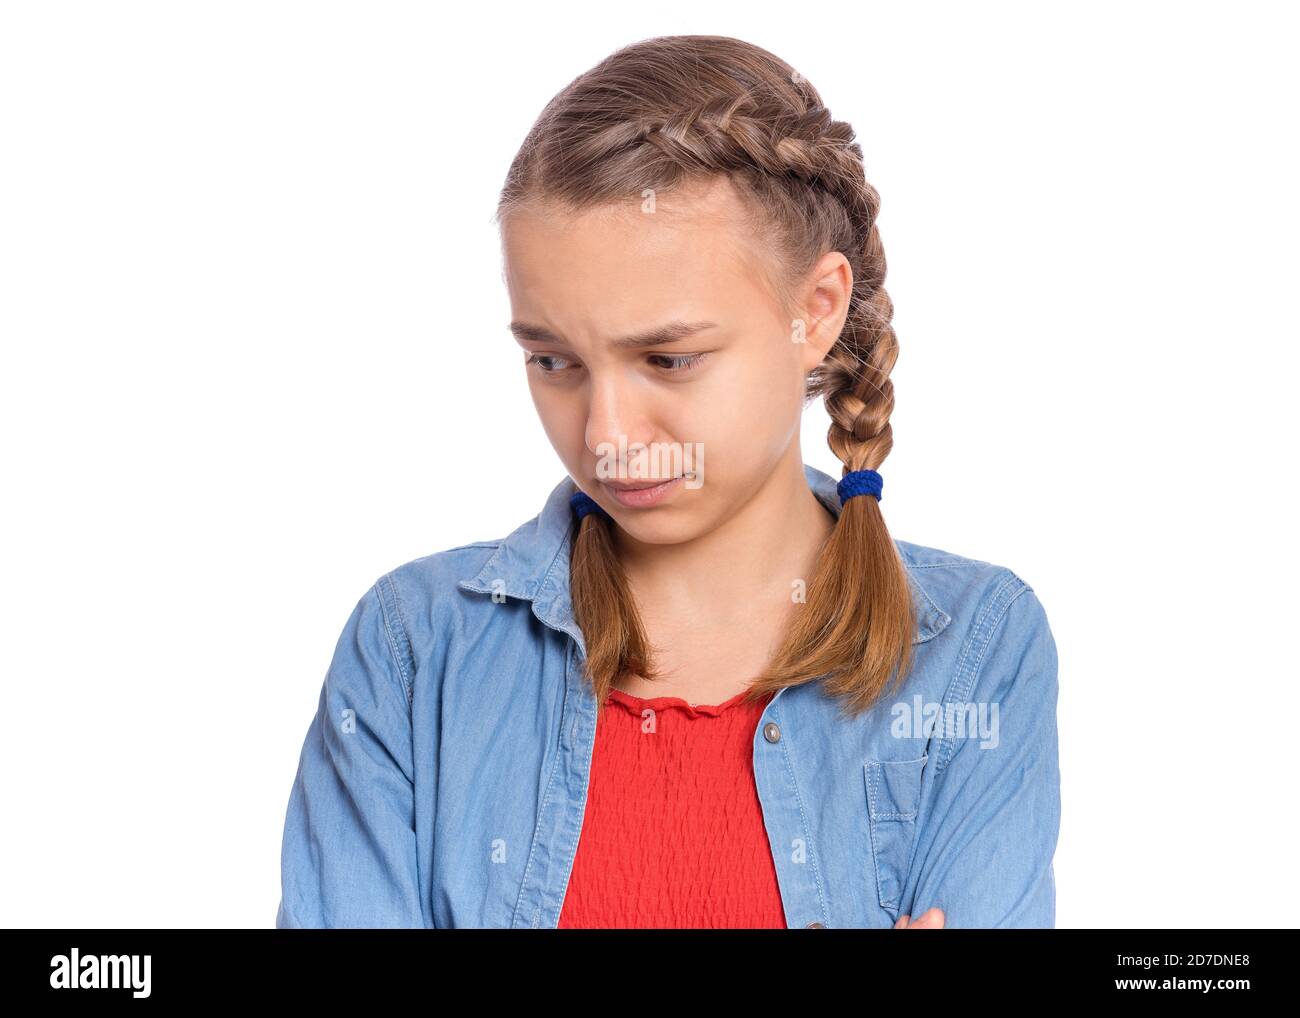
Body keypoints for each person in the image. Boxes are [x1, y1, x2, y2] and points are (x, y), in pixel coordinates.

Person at [276, 34, 1060, 929]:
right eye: (552, 359)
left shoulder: (974, 653)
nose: (606, 434)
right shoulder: (413, 652)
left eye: (669, 358)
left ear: (817, 310)